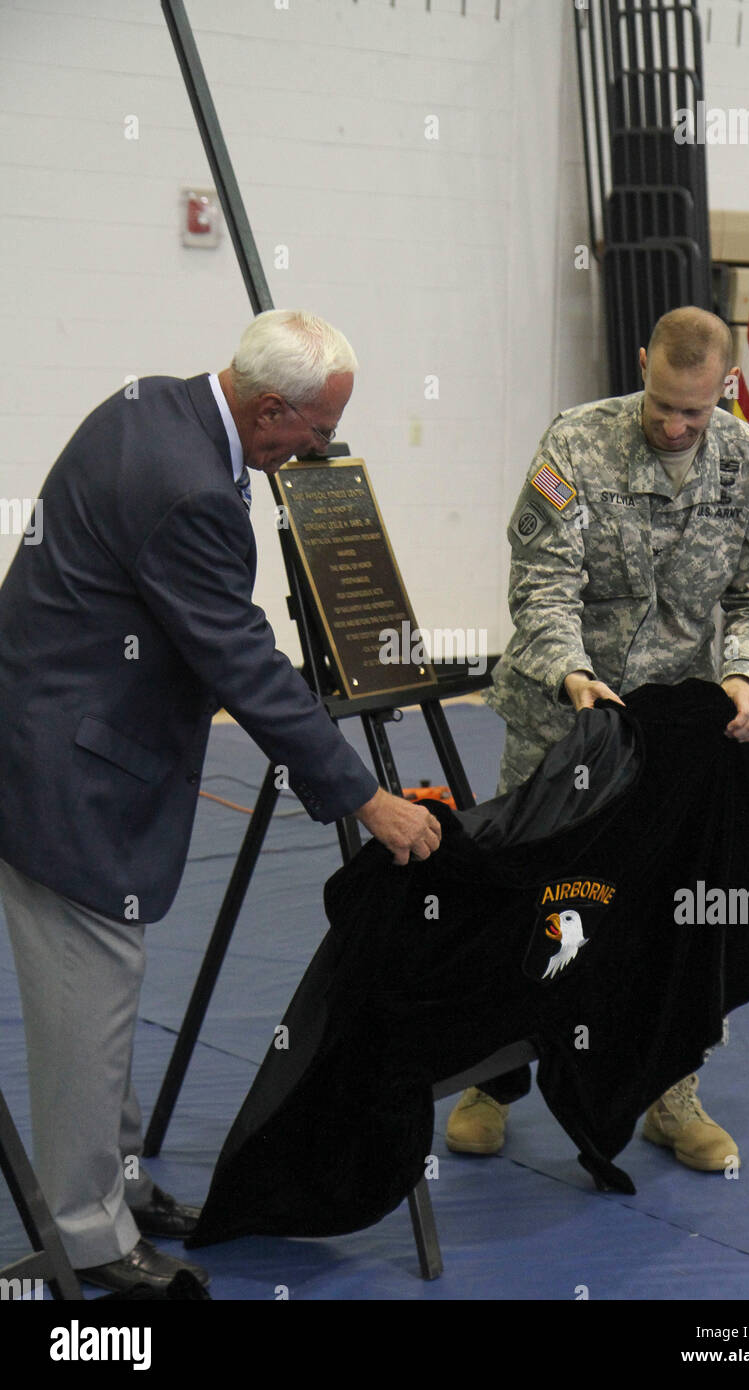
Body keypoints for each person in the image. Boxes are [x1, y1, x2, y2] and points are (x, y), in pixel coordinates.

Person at [0, 309, 441, 1292]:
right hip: (65, 772)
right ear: (270, 408)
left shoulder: (154, 402)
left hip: (66, 731)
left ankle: (113, 1185)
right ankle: (86, 1237)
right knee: (86, 1001)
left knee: (106, 992)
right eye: (318, 432)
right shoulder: (189, 484)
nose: (322, 451)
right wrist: (365, 796)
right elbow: (239, 655)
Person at [446, 306, 749, 1170]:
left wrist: (748, 675)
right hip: (564, 722)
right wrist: (571, 673)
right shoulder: (575, 444)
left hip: (676, 734)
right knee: (532, 897)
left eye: (694, 411)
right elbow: (543, 582)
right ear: (642, 364)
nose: (675, 425)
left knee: (671, 911)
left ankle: (670, 1096)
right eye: (663, 404)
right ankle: (492, 1081)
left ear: (726, 388)